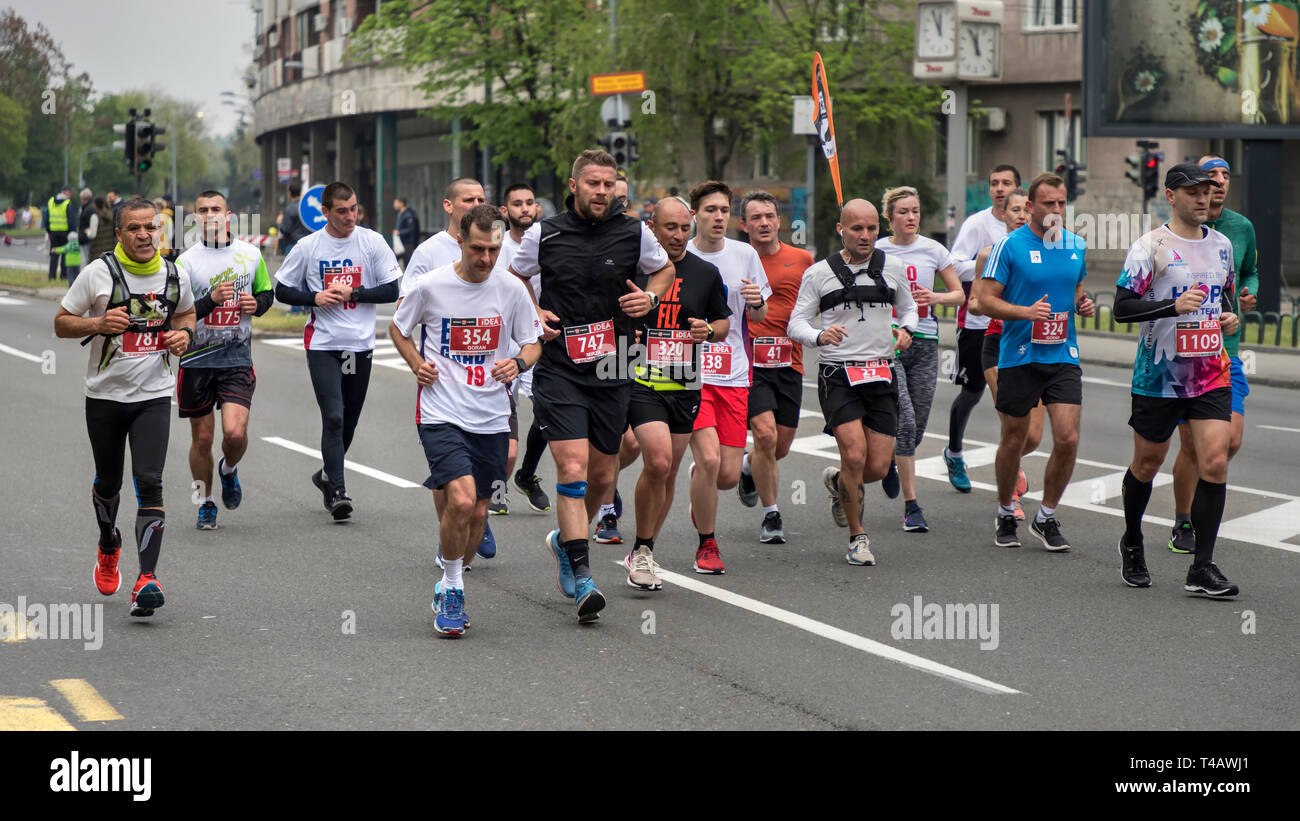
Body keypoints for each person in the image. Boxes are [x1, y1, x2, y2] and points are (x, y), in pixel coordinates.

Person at [507, 149, 673, 621]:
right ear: (575, 185)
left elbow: (664, 269)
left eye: (608, 184)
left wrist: (651, 295)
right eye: (593, 183)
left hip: (614, 363)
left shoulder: (634, 231)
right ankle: (583, 578)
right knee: (573, 466)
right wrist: (532, 310)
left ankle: (565, 539)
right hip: (560, 365)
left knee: (604, 475)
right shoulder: (545, 232)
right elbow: (515, 276)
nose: (601, 191)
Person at [390, 205, 542, 635]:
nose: (487, 258)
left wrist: (517, 363)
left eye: (494, 249)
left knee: (478, 513)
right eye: (478, 248)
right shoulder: (430, 286)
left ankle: (453, 566)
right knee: (460, 499)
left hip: (492, 415)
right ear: (460, 239)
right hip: (441, 410)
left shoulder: (511, 289)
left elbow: (532, 344)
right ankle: (452, 585)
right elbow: (399, 330)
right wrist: (417, 363)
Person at [53, 197, 197, 617]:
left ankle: (147, 579)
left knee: (150, 482)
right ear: (119, 233)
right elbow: (61, 322)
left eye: (151, 228)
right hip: (104, 398)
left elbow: (186, 314)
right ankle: (108, 542)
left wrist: (183, 336)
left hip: (153, 395)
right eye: (134, 228)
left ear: (160, 230)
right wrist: (97, 323)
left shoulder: (175, 273)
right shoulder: (98, 274)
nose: (144, 235)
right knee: (109, 483)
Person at [1114, 163, 1241, 596]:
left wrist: (1229, 317)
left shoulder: (1222, 245)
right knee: (1148, 463)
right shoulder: (1150, 247)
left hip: (1210, 372)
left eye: (1207, 191)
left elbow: (1223, 297)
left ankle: (1202, 567)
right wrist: (1171, 308)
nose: (1203, 199)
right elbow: (1122, 308)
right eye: (1193, 193)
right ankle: (1132, 540)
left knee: (1216, 461)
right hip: (1160, 375)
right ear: (1171, 196)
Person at [788, 199, 918, 566]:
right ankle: (857, 537)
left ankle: (839, 481)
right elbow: (795, 322)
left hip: (881, 372)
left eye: (872, 228)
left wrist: (906, 329)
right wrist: (818, 335)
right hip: (838, 373)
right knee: (855, 454)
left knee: (875, 468)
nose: (865, 236)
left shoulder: (892, 267)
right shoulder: (818, 274)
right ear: (840, 229)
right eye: (857, 229)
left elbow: (909, 309)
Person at [972, 172, 1094, 551]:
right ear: (1030, 207)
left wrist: (1082, 304)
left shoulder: (1076, 245)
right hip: (1019, 355)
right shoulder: (1010, 246)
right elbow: (985, 300)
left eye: (1062, 203)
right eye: (1048, 204)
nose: (1056, 210)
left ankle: (1046, 516)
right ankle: (1007, 508)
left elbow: (1076, 290)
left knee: (1068, 437)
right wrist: (1025, 313)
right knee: (1014, 437)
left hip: (1062, 354)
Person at [273, 181, 402, 521]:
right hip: (324, 343)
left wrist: (354, 294)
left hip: (360, 344)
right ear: (325, 212)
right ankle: (339, 492)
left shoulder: (372, 242)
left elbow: (391, 290)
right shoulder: (308, 247)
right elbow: (282, 290)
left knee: (349, 421)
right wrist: (315, 297)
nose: (350, 217)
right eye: (342, 211)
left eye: (354, 209)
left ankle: (327, 474)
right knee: (333, 416)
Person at [625, 196, 730, 589]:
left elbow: (722, 322)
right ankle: (640, 548)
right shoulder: (637, 267)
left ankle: (645, 547)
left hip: (684, 383)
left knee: (667, 471)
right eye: (670, 228)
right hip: (640, 380)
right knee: (657, 460)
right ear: (652, 227)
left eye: (685, 228)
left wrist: (709, 331)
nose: (679, 235)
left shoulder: (705, 272)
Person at [1166, 154, 1258, 555]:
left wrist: (1248, 293)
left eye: (1223, 175)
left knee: (1228, 443)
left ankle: (1203, 505)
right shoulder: (1175, 233)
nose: (1217, 182)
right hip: (1184, 356)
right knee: (1193, 447)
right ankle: (1184, 520)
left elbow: (1250, 269)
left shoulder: (1240, 229)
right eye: (1208, 177)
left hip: (1226, 350)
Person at [684, 180, 770, 574]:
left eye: (723, 211)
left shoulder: (745, 254)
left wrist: (757, 304)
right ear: (694, 215)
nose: (717, 217)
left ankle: (700, 484)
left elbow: (758, 317)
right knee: (711, 459)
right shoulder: (679, 256)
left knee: (728, 475)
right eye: (709, 211)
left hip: (733, 372)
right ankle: (707, 545)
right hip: (690, 375)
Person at [176, 191, 275, 530]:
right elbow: (179, 314)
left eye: (215, 209)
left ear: (228, 215)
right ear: (195, 218)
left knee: (234, 433)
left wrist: (256, 305)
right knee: (202, 439)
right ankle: (205, 502)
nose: (210, 215)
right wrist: (210, 300)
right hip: (196, 360)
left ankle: (229, 470)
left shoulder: (249, 254)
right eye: (202, 210)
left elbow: (266, 293)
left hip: (235, 357)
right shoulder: (185, 262)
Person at [876, 186, 964, 532]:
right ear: (890, 217)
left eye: (915, 211)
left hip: (926, 344)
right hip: (890, 342)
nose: (911, 217)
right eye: (903, 212)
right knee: (906, 423)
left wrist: (935, 296)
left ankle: (888, 463)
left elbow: (958, 294)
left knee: (918, 429)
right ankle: (912, 506)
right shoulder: (878, 250)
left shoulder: (933, 249)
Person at [735, 190, 814, 544]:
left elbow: (817, 304)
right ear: (744, 224)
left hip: (789, 361)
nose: (764, 222)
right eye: (756, 217)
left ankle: (749, 467)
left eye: (769, 216)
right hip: (749, 362)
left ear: (779, 221)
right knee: (764, 435)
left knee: (778, 448)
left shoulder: (802, 259)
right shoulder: (736, 260)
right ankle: (772, 514)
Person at [943, 164, 1020, 492]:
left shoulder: (1027, 225)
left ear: (1018, 188)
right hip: (976, 322)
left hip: (1015, 325)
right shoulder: (977, 224)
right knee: (973, 391)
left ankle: (1012, 466)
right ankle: (955, 452)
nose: (999, 188)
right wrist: (990, 266)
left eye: (1006, 183)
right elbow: (953, 261)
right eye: (994, 183)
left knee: (1012, 400)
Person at [970, 188, 1038, 520]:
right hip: (998, 345)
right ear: (1004, 215)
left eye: (1026, 210)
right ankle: (1009, 496)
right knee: (1013, 426)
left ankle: (1011, 463)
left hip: (1037, 345)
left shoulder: (1045, 253)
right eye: (1015, 210)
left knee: (1034, 436)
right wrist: (1000, 307)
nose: (1022, 215)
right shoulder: (989, 255)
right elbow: (974, 302)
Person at [497, 182, 553, 515]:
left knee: (548, 413)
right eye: (517, 203)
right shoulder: (497, 247)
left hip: (536, 342)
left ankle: (527, 474)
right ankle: (495, 483)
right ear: (505, 212)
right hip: (501, 346)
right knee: (500, 427)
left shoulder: (547, 245)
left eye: (530, 202)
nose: (525, 209)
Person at [400, 178, 485, 298]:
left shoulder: (498, 248)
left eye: (481, 200)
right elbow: (404, 306)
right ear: (448, 206)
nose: (477, 206)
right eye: (469, 200)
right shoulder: (426, 252)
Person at [45, 186, 76, 281]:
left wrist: (49, 231)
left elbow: (46, 218)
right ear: (66, 192)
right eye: (70, 192)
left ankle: (52, 276)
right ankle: (63, 276)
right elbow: (71, 220)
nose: (70, 195)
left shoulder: (50, 202)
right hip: (64, 233)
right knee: (64, 255)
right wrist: (72, 231)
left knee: (54, 255)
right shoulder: (67, 203)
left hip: (53, 232)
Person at [86, 196, 117, 262]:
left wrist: (87, 232)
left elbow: (92, 235)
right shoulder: (110, 215)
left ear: (95, 205)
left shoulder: (95, 216)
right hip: (109, 249)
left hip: (97, 251)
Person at [393, 196, 420, 269]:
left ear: (401, 204)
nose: (394, 205)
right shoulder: (400, 214)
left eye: (396, 203)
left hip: (407, 244)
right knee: (393, 261)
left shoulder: (408, 215)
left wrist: (399, 232)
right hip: (400, 243)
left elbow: (411, 229)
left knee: (407, 265)